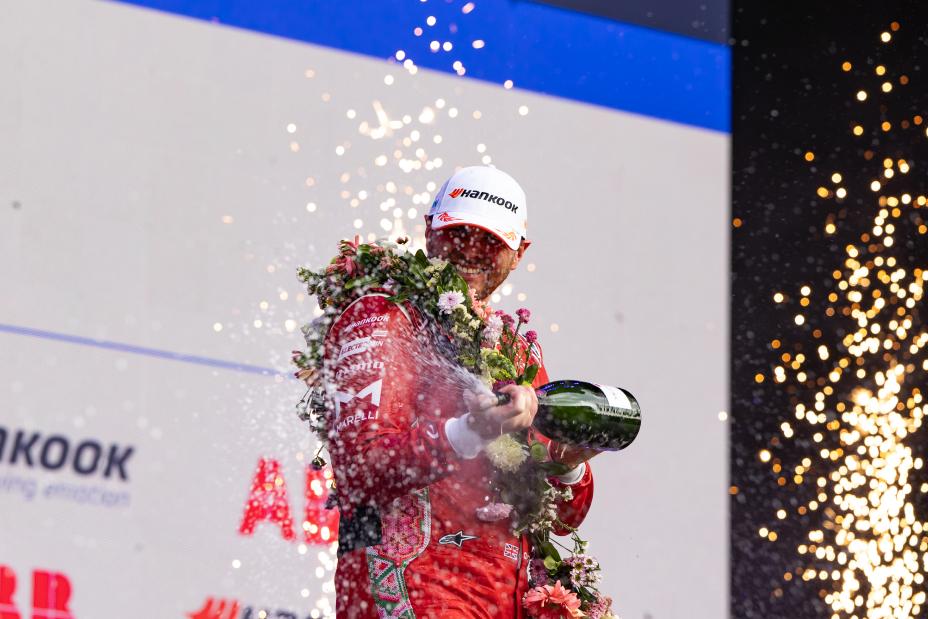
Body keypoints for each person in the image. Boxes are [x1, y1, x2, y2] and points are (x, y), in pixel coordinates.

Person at [322, 166, 597, 618]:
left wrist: (567, 467)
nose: (471, 250)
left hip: (501, 601)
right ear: (429, 231)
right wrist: (472, 430)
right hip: (411, 591)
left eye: (490, 241)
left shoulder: (516, 347)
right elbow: (360, 468)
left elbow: (562, 521)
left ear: (519, 252)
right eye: (459, 233)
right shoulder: (385, 317)